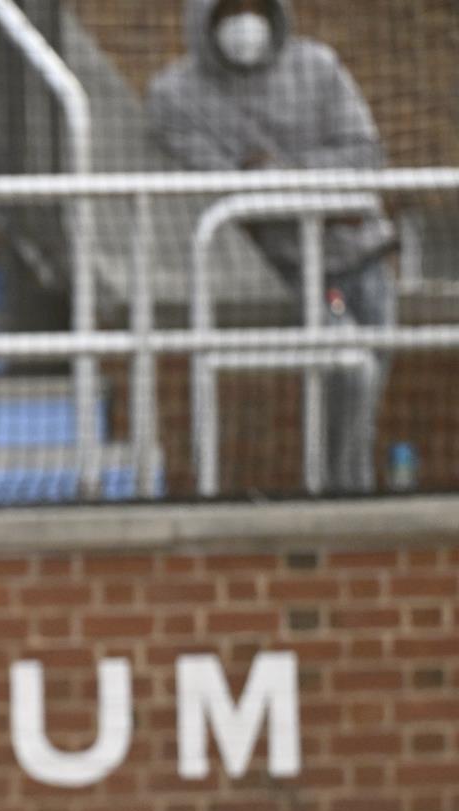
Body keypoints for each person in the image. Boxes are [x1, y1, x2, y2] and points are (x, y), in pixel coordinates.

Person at [149, 0, 399, 493]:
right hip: (292, 276)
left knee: (367, 391)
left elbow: (366, 156)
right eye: (230, 10)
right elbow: (227, 190)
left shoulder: (318, 66)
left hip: (365, 260)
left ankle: (347, 493)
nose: (246, 21)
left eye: (254, 6)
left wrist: (277, 175)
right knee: (350, 371)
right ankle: (339, 498)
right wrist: (323, 199)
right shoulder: (175, 95)